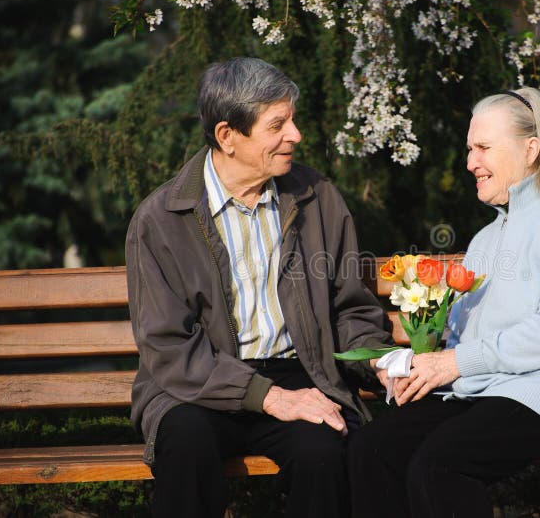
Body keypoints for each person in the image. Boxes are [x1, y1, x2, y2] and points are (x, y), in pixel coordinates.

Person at [125, 57, 393, 518]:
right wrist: (268, 397)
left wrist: (382, 363)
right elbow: (170, 348)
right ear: (227, 136)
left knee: (326, 453)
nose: (296, 135)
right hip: (194, 385)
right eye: (278, 125)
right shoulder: (159, 220)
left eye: (292, 119)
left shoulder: (317, 197)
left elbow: (349, 308)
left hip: (298, 373)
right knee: (185, 447)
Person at [347, 87, 540, 518]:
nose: (470, 162)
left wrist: (455, 363)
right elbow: (464, 340)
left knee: (440, 465)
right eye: (468, 149)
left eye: (482, 148)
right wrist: (423, 370)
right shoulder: (484, 240)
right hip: (487, 393)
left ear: (531, 149)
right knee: (372, 449)